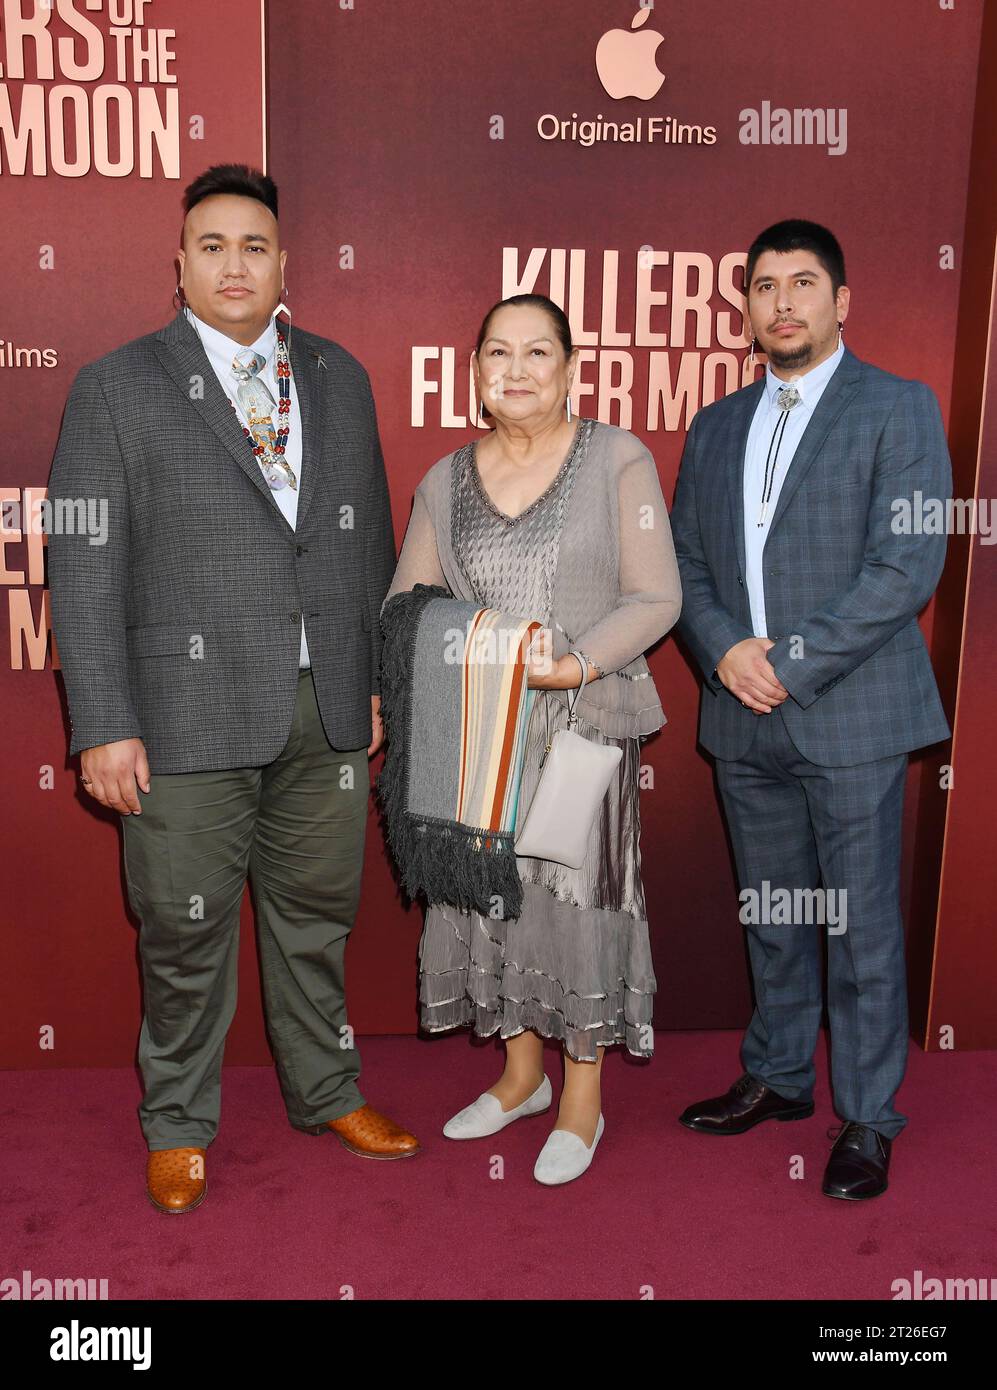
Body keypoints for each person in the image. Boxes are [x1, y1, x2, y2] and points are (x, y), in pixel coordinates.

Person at [47, 163, 419, 1215]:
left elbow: (369, 545)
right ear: (180, 264)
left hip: (325, 711)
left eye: (253, 245)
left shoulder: (340, 377)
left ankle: (327, 1090)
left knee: (316, 917)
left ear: (283, 262)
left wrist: (373, 680)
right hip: (181, 714)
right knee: (181, 927)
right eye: (211, 246)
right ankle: (177, 1121)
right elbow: (83, 563)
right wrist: (103, 722)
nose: (234, 264)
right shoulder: (116, 385)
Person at [669, 219, 951, 1200]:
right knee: (773, 911)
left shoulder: (897, 407)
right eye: (763, 286)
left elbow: (905, 565)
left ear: (841, 301)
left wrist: (786, 661)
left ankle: (868, 1115)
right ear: (743, 306)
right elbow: (687, 566)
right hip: (742, 713)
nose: (782, 302)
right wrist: (724, 652)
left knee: (860, 926)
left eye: (802, 283)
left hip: (849, 714)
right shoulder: (713, 427)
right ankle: (781, 1072)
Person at [381, 293, 682, 1185]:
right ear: (474, 371)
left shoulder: (616, 460)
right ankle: (520, 1079)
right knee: (487, 895)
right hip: (474, 731)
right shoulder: (442, 480)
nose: (515, 371)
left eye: (537, 353)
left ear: (570, 368)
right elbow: (405, 608)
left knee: (575, 903)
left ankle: (581, 1100)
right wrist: (468, 651)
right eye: (496, 353)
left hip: (582, 722)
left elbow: (657, 596)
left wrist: (575, 663)